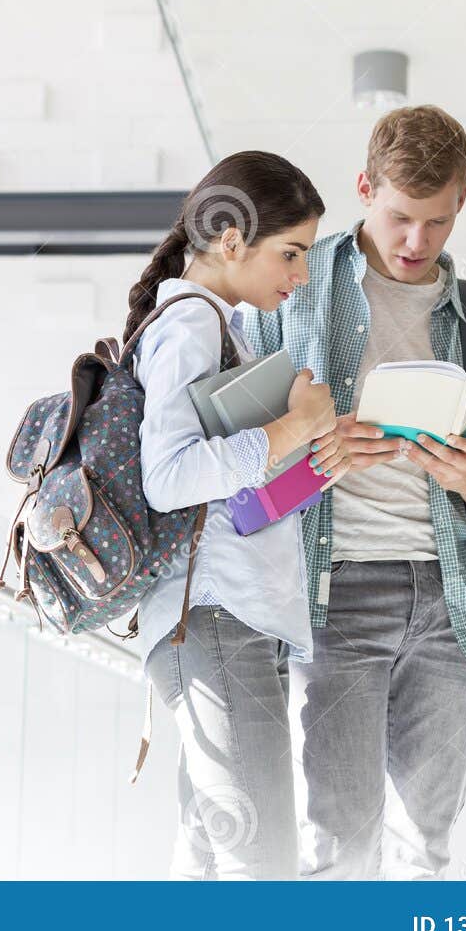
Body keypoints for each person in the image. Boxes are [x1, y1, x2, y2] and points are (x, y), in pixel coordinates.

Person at [245, 105, 466, 879]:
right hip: (336, 598)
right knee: (339, 841)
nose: (415, 242)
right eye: (400, 217)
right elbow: (236, 480)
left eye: (436, 223)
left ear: (461, 203)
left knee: (425, 845)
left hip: (451, 601)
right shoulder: (291, 294)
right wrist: (314, 451)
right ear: (365, 187)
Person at [127, 150, 333, 879]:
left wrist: (318, 463)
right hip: (214, 618)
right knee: (262, 865)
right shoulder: (189, 326)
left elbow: (234, 512)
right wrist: (291, 430)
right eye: (292, 252)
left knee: (214, 862)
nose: (300, 275)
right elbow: (170, 478)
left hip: (228, 617)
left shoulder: (219, 328)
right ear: (231, 240)